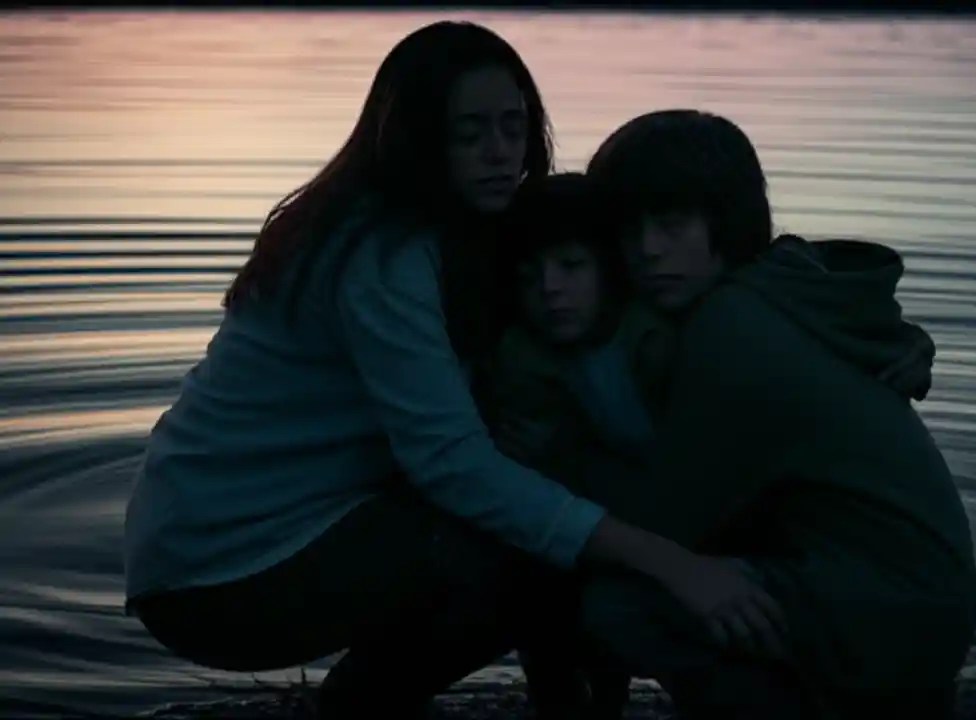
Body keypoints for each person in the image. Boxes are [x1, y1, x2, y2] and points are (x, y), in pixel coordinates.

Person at [120, 27, 788, 720]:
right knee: (521, 548)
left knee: (541, 518)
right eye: (469, 133)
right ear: (416, 141)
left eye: (513, 128)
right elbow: (453, 466)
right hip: (219, 566)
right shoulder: (379, 254)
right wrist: (673, 563)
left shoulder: (468, 233)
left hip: (287, 526)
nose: (500, 153)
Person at [576, 109, 976, 719]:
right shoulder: (788, 288)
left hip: (890, 611)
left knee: (617, 599)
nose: (648, 250)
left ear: (727, 221)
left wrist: (549, 472)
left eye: (672, 224)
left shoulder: (728, 325)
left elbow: (667, 523)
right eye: (629, 230)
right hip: (927, 600)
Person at [487, 171, 671, 718]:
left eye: (571, 267)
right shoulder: (520, 353)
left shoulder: (654, 339)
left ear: (608, 268)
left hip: (669, 526)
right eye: (529, 277)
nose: (549, 288)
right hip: (577, 536)